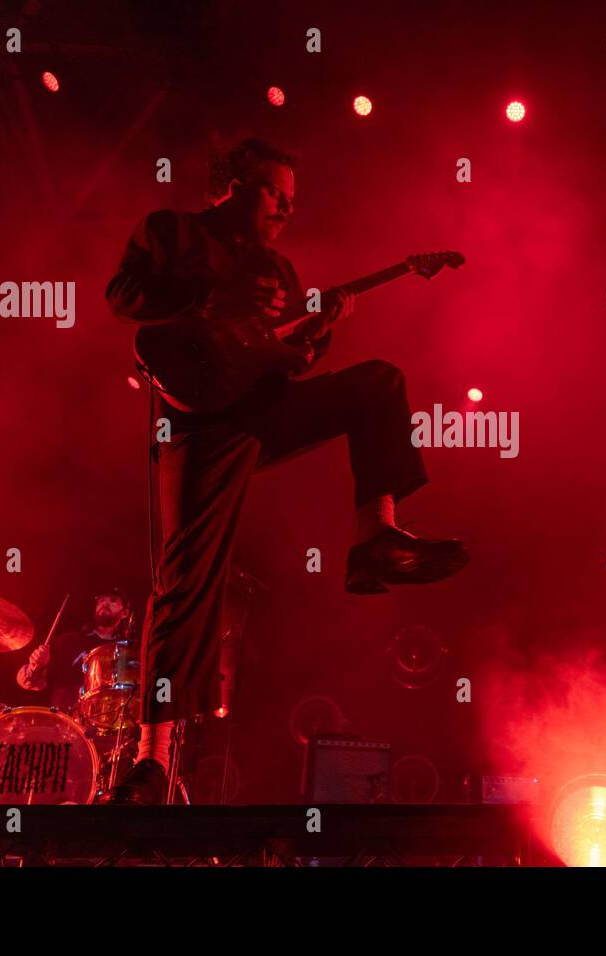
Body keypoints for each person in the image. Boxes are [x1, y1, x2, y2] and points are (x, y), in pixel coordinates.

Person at [103, 137, 469, 803]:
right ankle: (151, 761)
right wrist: (207, 293)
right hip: (195, 422)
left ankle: (376, 539)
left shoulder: (278, 267)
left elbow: (283, 359)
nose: (286, 210)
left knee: (377, 384)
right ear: (234, 186)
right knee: (184, 584)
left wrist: (319, 330)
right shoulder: (174, 231)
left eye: (293, 201)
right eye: (275, 193)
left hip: (259, 412)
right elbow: (123, 296)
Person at [17, 590, 135, 714]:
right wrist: (36, 667)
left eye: (113, 600)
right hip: (65, 722)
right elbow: (25, 681)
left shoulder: (128, 651)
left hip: (110, 721)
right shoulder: (68, 641)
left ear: (125, 613)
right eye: (101, 600)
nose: (105, 603)